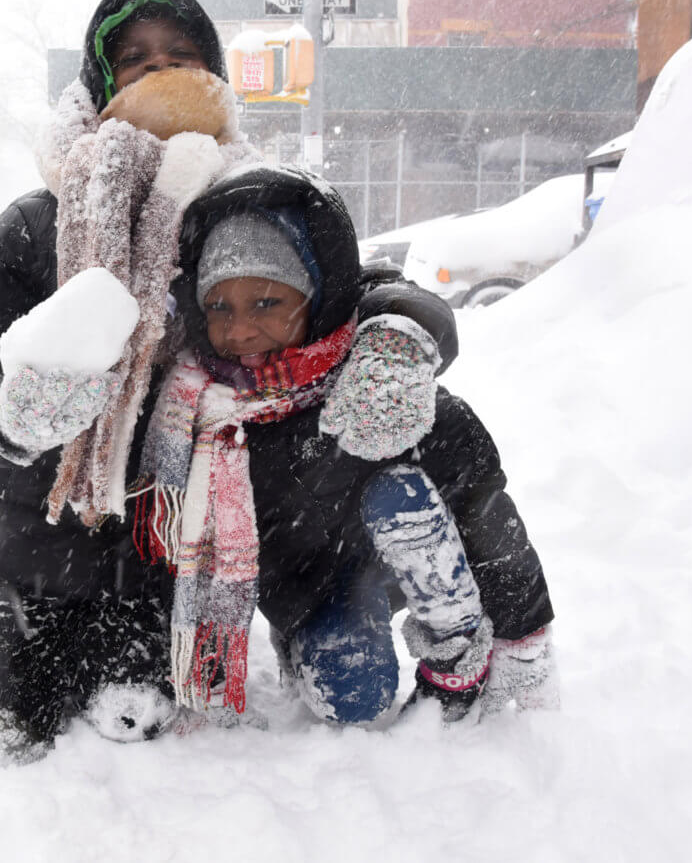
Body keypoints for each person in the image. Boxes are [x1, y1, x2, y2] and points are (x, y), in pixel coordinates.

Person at [0, 0, 462, 762]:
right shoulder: (31, 227)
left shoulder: (249, 206)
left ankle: (315, 611)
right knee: (2, 729)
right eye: (135, 56)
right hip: (36, 550)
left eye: (181, 53)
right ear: (100, 83)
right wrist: (5, 418)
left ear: (211, 77)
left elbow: (360, 282)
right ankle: (20, 620)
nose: (159, 68)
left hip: (168, 561)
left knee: (141, 718)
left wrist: (402, 332)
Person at [134, 164, 557, 725]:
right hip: (305, 587)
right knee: (354, 698)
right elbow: (148, 535)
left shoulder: (377, 386)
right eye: (220, 307)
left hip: (390, 558)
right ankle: (305, 643)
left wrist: (522, 633)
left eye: (267, 303)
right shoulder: (192, 407)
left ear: (315, 297)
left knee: (399, 492)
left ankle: (456, 660)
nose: (239, 332)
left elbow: (484, 509)